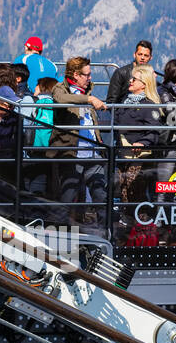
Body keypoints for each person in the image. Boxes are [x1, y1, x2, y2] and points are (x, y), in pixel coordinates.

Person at [49, 56, 108, 224]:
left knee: (100, 195)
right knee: (68, 194)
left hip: (92, 151)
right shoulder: (61, 89)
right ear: (76, 75)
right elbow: (61, 100)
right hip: (72, 152)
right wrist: (89, 99)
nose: (90, 78)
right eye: (87, 75)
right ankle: (59, 231)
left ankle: (106, 232)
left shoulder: (87, 91)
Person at [114, 65, 161, 201]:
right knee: (123, 189)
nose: (130, 81)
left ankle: (140, 219)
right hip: (122, 154)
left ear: (144, 84)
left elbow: (155, 130)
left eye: (134, 79)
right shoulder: (124, 102)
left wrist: (143, 142)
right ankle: (127, 218)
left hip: (138, 157)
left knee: (134, 189)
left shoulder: (149, 105)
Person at [106, 40, 154, 105]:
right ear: (134, 55)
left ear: (150, 57)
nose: (142, 57)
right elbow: (111, 101)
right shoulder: (121, 73)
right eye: (140, 54)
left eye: (146, 55)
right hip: (123, 111)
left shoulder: (151, 74)